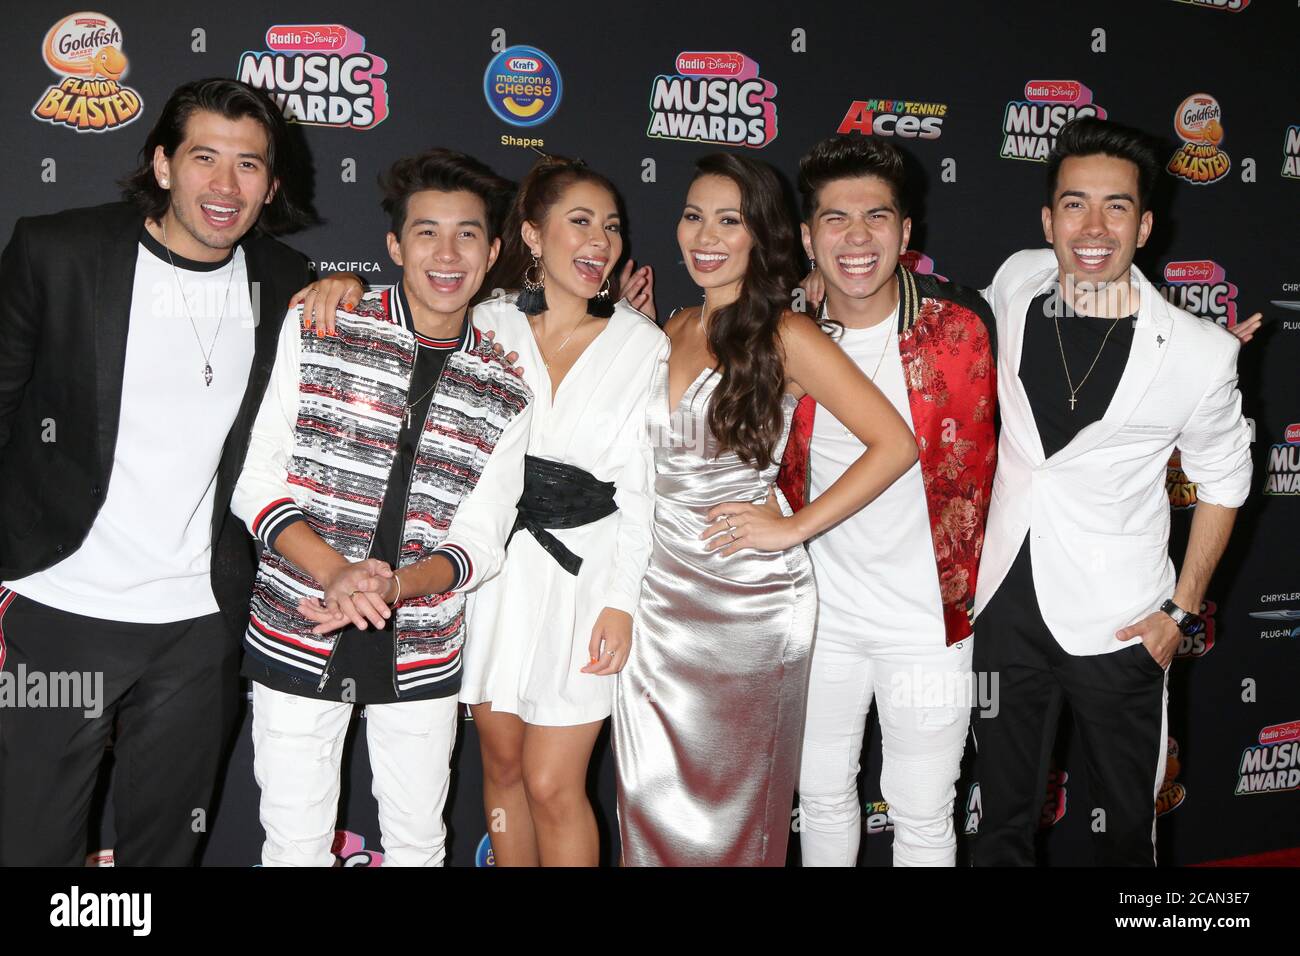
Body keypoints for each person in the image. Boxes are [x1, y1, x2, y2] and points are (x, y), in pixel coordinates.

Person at [0, 78, 312, 866]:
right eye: (205, 158)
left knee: (166, 849)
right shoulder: (58, 252)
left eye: (248, 166)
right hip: (58, 603)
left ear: (271, 186)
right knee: (31, 844)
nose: (225, 185)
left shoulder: (288, 284)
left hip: (199, 621)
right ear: (163, 164)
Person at [612, 153, 918, 866]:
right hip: (658, 603)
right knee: (651, 798)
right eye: (693, 216)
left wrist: (790, 528)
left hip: (748, 604)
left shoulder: (788, 334)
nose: (706, 235)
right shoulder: (670, 326)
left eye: (730, 219)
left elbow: (893, 444)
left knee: (740, 809)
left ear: (761, 236)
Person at [231, 148, 532, 866]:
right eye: (426, 232)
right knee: (294, 844)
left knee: (419, 845)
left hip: (423, 644)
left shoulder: (506, 388)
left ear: (494, 251)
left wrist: (396, 586)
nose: (448, 252)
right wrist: (336, 573)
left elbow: (481, 542)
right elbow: (256, 481)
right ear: (395, 245)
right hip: (298, 624)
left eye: (468, 234)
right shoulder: (322, 325)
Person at [971, 117, 1252, 865]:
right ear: (1047, 218)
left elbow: (1226, 483)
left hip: (1123, 621)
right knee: (1001, 817)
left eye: (1117, 207)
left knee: (1127, 828)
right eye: (1074, 204)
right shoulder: (1016, 280)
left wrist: (1179, 613)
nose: (1093, 227)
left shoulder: (1198, 352)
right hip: (1004, 602)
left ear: (1147, 223)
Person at [776, 136, 997, 867]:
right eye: (835, 220)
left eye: (877, 217)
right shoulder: (781, 335)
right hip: (819, 619)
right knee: (822, 798)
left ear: (906, 233)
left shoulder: (964, 330)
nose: (857, 237)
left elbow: (1078, 283)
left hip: (927, 624)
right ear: (809, 237)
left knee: (925, 813)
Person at [453, 156, 667, 867]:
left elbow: (644, 489)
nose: (600, 240)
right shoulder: (482, 325)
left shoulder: (642, 345)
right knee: (504, 771)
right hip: (491, 577)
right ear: (534, 236)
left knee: (553, 782)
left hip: (589, 580)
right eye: (580, 221)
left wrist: (622, 602)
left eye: (611, 226)